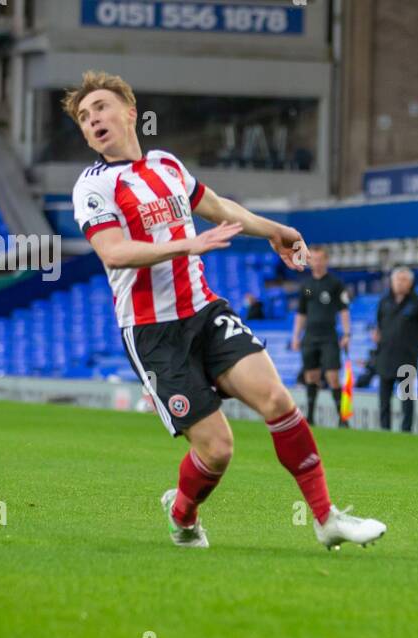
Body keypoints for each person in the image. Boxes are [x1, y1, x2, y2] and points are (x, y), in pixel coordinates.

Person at [64, 70, 383, 551]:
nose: (94, 121)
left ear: (130, 113)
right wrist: (187, 243)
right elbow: (113, 252)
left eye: (101, 108)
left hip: (205, 312)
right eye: (85, 118)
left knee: (278, 402)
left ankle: (325, 518)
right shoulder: (92, 187)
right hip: (154, 333)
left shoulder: (166, 164)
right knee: (217, 451)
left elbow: (215, 206)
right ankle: (182, 515)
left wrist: (273, 228)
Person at [291, 246, 351, 427]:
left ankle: (342, 418)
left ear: (326, 261)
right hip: (310, 336)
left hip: (329, 336)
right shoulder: (307, 287)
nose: (316, 262)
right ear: (309, 261)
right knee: (311, 375)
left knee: (333, 376)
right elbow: (301, 313)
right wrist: (296, 336)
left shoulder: (335, 284)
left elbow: (344, 310)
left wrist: (347, 333)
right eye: (313, 259)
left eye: (320, 259)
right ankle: (310, 416)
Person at [374, 267, 418, 433]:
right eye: (397, 279)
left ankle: (406, 430)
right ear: (391, 282)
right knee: (384, 398)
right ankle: (384, 429)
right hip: (385, 356)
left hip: (407, 357)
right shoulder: (384, 302)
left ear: (411, 283)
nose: (400, 283)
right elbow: (379, 324)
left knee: (407, 397)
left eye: (404, 280)